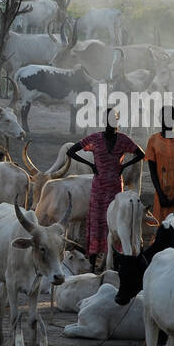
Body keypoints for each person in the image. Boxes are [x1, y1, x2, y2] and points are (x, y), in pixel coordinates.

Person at [67, 108, 145, 267]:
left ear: (117, 120)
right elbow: (71, 151)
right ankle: (93, 261)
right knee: (96, 222)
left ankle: (115, 260)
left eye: (114, 118)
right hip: (99, 187)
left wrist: (124, 166)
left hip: (115, 188)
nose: (111, 122)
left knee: (116, 222)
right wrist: (91, 165)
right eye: (108, 119)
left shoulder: (123, 140)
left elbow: (141, 154)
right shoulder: (95, 138)